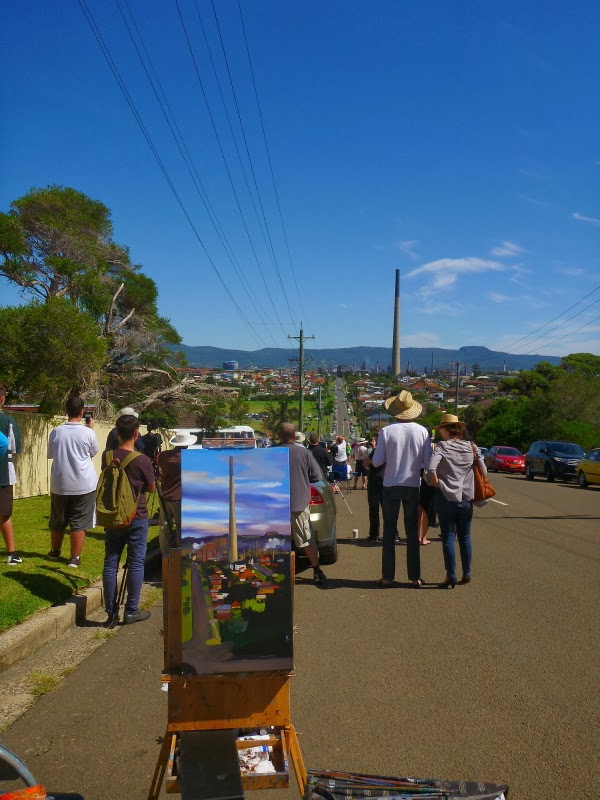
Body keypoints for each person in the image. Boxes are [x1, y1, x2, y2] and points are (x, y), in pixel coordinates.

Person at [371, 391, 432, 588]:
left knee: (389, 531)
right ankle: (415, 577)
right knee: (412, 533)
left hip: (390, 485)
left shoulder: (387, 432)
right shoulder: (423, 432)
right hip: (412, 485)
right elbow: (427, 462)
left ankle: (387, 576)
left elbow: (377, 461)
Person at [102, 414, 156, 626]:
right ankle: (131, 610)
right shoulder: (142, 460)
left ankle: (110, 611)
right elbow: (151, 488)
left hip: (113, 515)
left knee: (110, 561)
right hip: (136, 516)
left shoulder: (107, 456)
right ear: (136, 434)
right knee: (135, 563)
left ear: (117, 432)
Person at [427, 414, 486, 588]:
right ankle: (466, 572)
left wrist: (437, 483)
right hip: (465, 499)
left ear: (446, 429)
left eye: (441, 430)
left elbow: (431, 468)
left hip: (445, 497)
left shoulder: (442, 446)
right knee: (465, 536)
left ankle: (451, 575)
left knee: (448, 538)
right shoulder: (471, 446)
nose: (441, 434)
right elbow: (484, 471)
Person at [47, 396, 99, 567]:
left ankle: (55, 551)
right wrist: (90, 429)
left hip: (60, 482)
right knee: (80, 521)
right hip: (83, 483)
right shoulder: (88, 432)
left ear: (66, 411)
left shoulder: (56, 431)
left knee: (58, 519)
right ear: (82, 412)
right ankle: (74, 557)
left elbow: (52, 454)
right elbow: (93, 452)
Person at [278, 422, 326, 586]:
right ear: (294, 436)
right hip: (298, 502)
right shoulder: (303, 452)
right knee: (306, 538)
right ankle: (316, 571)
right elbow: (316, 476)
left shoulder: (270, 452)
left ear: (278, 436)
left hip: (274, 505)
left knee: (274, 540)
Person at [156, 431, 197, 554]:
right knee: (181, 527)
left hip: (165, 495)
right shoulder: (187, 458)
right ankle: (182, 554)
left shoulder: (163, 456)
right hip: (179, 497)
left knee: (164, 526)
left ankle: (165, 554)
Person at [0, 385, 23, 565]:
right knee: (4, 514)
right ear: (2, 399)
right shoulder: (8, 421)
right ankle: (11, 553)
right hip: (3, 475)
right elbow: (14, 450)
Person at [363, 432, 384, 542]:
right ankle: (392, 533)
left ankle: (374, 533)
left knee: (374, 508)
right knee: (389, 510)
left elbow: (365, 463)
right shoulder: (390, 450)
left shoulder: (377, 451)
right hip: (387, 480)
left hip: (375, 480)